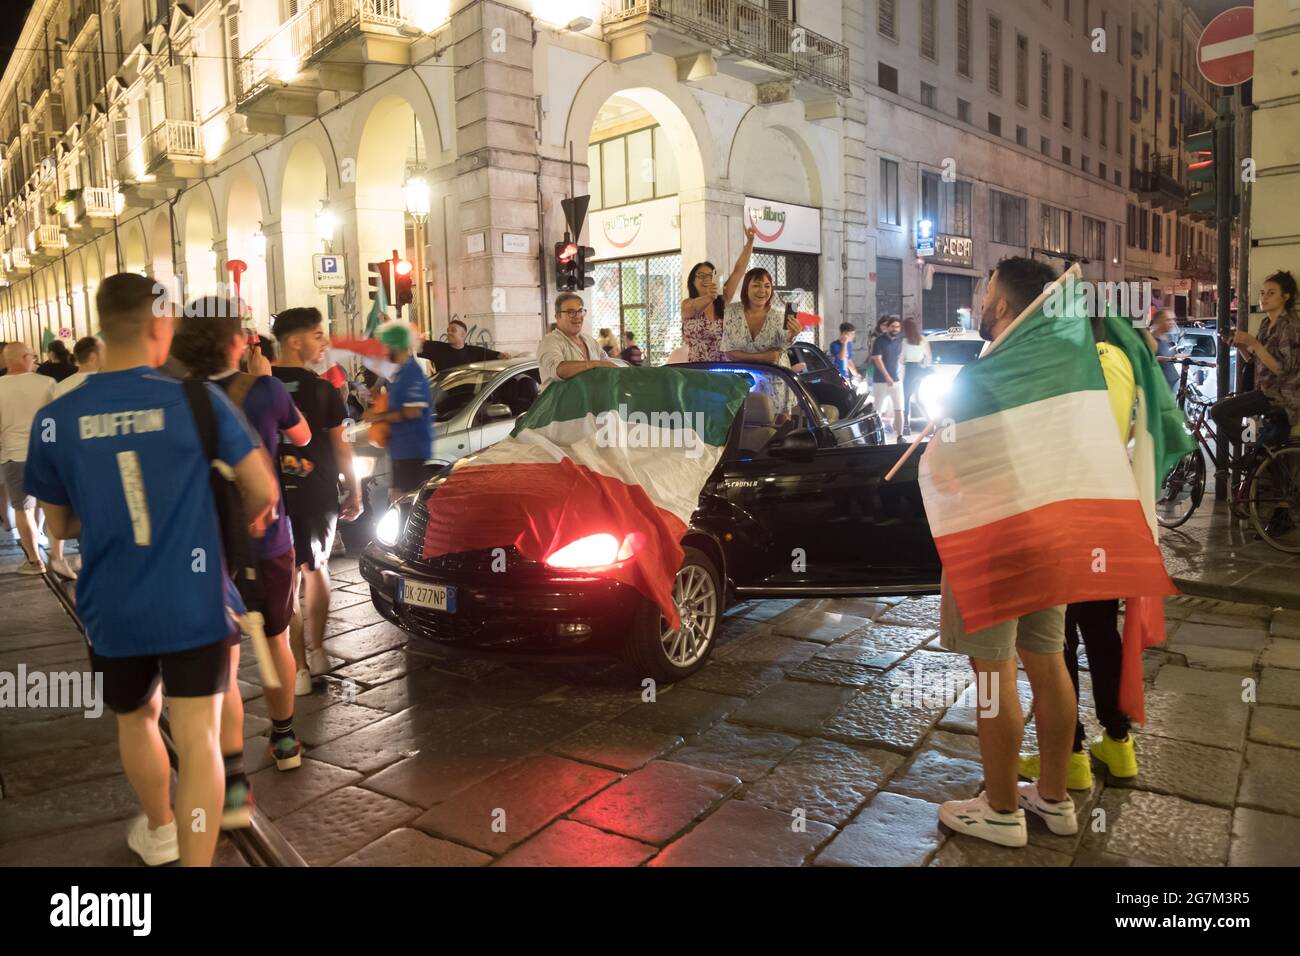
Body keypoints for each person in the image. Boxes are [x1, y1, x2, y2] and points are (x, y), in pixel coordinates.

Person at [24, 273, 278, 865]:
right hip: (194, 603)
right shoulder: (197, 400)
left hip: (113, 604)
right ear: (159, 325)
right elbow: (262, 489)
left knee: (137, 719)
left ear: (101, 329)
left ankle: (159, 829)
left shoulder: (57, 416)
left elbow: (58, 527)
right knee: (199, 738)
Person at [936, 256, 1078, 848]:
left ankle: (998, 810)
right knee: (1048, 662)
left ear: (1001, 306)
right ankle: (1054, 798)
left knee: (994, 674)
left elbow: (952, 467)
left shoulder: (981, 375)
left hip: (992, 537)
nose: (979, 296)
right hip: (1052, 530)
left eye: (986, 287)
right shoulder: (1068, 369)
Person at [171, 298, 312, 828]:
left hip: (203, 545)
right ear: (238, 341)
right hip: (268, 538)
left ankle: (230, 778)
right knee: (275, 637)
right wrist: (265, 379)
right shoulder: (267, 390)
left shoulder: (177, 399)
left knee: (222, 660)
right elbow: (300, 438)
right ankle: (284, 737)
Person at [1020, 316, 1140, 791]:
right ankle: (1119, 742)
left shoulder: (1066, 373)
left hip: (1067, 513)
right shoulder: (1121, 363)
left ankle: (1069, 755)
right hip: (1111, 511)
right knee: (1102, 631)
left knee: (1058, 636)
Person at [272, 307, 362, 696]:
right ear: (295, 341)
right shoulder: (323, 389)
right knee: (316, 568)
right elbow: (343, 449)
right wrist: (354, 489)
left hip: (270, 492)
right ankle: (317, 650)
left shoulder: (254, 385)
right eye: (318, 334)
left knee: (283, 579)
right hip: (316, 490)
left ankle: (299, 669)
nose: (325, 342)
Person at [0, 341, 75, 578]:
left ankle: (34, 561)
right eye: (32, 356)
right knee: (52, 504)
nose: (34, 360)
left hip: (14, 455)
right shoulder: (47, 383)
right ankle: (55, 556)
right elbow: (60, 417)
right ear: (23, 357)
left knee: (23, 510)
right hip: (47, 453)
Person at [1211, 270, 1300, 453]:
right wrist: (1241, 346)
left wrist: (1253, 342)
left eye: (1271, 293)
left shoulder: (1289, 326)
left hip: (1279, 397)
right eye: (1262, 293)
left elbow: (1283, 369)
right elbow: (1256, 361)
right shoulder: (1266, 324)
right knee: (1254, 452)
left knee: (1219, 411)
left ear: (1286, 297)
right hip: (1262, 392)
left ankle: (1254, 444)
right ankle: (1254, 447)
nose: (1264, 297)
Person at [364, 321, 435, 501]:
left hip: (411, 451)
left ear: (395, 346)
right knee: (397, 499)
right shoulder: (400, 373)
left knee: (404, 503)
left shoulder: (411, 374)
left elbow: (413, 412)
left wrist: (377, 416)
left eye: (385, 347)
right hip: (401, 449)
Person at [681, 223, 758, 363]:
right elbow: (692, 307)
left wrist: (750, 242)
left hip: (722, 369)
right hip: (697, 372)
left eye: (711, 275)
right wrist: (709, 296)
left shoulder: (722, 300)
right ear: (693, 281)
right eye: (701, 276)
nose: (707, 279)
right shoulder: (687, 305)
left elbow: (739, 270)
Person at [721, 267, 802, 366]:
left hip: (776, 377)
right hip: (742, 377)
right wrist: (765, 357)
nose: (762, 290)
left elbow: (783, 345)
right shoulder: (731, 311)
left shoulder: (779, 315)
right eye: (756, 285)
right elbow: (729, 353)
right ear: (746, 289)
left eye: (767, 286)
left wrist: (793, 334)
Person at [537, 293, 616, 389]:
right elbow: (558, 370)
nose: (577, 316)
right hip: (561, 404)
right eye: (571, 312)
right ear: (558, 316)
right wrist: (595, 364)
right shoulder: (550, 341)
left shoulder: (590, 341)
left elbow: (609, 366)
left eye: (580, 311)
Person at [419, 318, 512, 371]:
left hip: (467, 397)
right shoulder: (438, 349)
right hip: (444, 396)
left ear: (463, 334)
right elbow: (415, 345)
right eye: (448, 330)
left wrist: (502, 355)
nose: (449, 333)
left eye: (453, 330)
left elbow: (495, 355)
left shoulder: (474, 352)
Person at [870, 316, 905, 440]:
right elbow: (877, 359)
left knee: (899, 408)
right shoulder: (879, 340)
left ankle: (900, 435)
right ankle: (876, 436)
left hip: (896, 380)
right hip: (880, 381)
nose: (895, 329)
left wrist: (899, 375)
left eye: (897, 327)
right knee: (877, 410)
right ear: (888, 327)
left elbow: (899, 358)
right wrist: (887, 376)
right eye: (893, 326)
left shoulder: (899, 341)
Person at [900, 317, 932, 436]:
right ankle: (930, 423)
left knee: (906, 398)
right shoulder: (923, 339)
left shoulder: (905, 341)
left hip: (909, 370)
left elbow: (901, 358)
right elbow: (928, 358)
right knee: (918, 399)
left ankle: (906, 426)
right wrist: (923, 367)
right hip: (918, 370)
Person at [1149, 309, 1181, 393]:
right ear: (1158, 321)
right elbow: (1144, 360)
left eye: (1174, 319)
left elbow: (1171, 356)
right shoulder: (1150, 339)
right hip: (1159, 387)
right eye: (1168, 320)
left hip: (1172, 383)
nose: (1172, 322)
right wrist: (1159, 359)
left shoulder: (1167, 338)